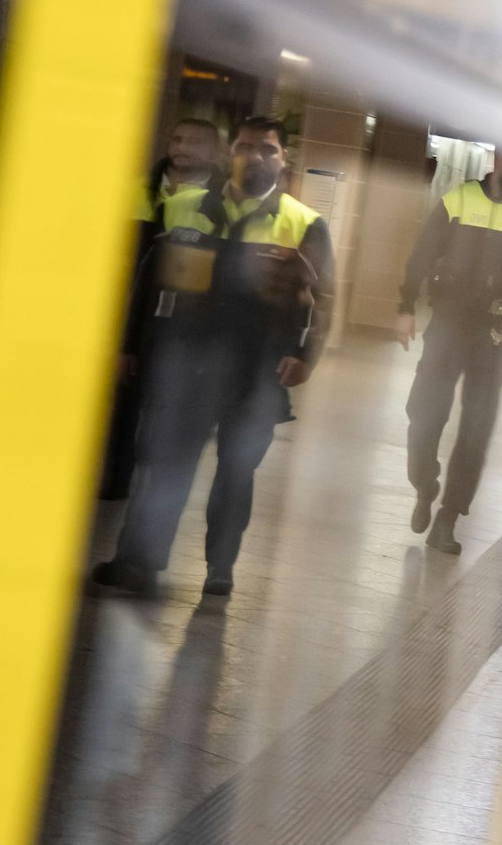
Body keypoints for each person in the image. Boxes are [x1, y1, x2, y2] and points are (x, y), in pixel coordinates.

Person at [93, 116, 333, 599]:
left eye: (268, 149)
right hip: (188, 367)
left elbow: (323, 296)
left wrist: (306, 355)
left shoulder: (303, 223)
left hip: (256, 373)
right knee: (165, 465)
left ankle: (219, 568)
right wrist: (128, 344)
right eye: (246, 147)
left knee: (235, 472)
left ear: (284, 160)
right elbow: (147, 283)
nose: (256, 157)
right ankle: (137, 564)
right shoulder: (184, 207)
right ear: (231, 155)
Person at [397, 149, 502, 554]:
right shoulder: (457, 200)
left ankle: (447, 519)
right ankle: (425, 484)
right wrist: (406, 306)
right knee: (423, 414)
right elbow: (422, 253)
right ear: (497, 155)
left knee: (476, 429)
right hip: (446, 326)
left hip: (490, 335)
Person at [101, 119, 227, 499]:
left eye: (195, 142)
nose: (183, 147)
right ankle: (114, 480)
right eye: (177, 138)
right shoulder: (135, 191)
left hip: (186, 315)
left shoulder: (223, 201)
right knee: (122, 397)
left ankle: (159, 479)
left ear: (214, 151)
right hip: (129, 307)